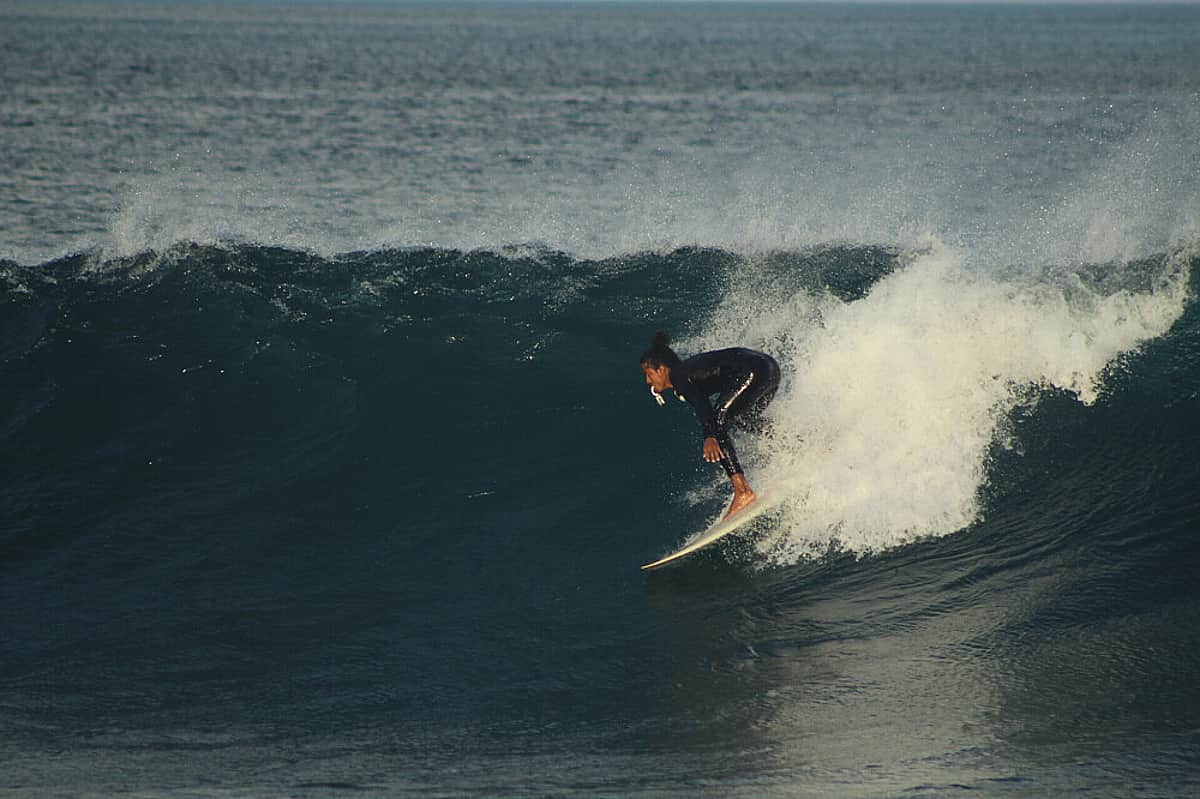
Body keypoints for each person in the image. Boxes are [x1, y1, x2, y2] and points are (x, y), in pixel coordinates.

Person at [640, 331, 781, 519]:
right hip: (769, 368)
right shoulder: (687, 372)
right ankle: (796, 443)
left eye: (649, 374)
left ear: (662, 370)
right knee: (740, 418)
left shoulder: (679, 376)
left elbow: (701, 404)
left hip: (753, 372)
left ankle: (743, 491)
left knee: (718, 422)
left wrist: (710, 436)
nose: (648, 381)